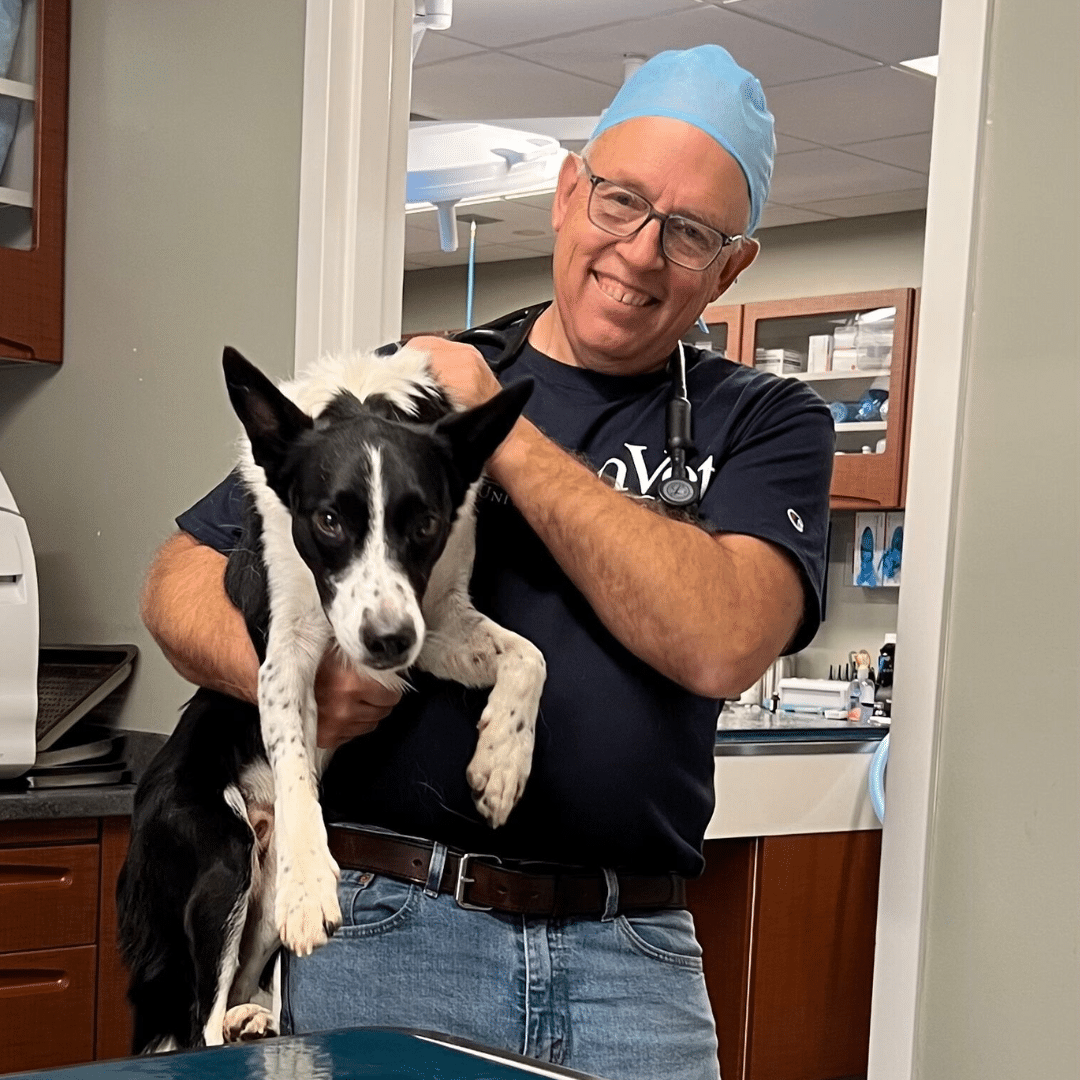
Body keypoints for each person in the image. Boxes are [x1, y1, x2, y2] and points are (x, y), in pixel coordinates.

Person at [142, 45, 834, 1080]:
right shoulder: (404, 390)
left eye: (689, 233)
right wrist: (301, 679)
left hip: (630, 958)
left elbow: (722, 638)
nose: (641, 252)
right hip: (388, 932)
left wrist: (498, 435)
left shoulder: (767, 419)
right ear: (566, 195)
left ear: (733, 266)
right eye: (620, 202)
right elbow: (179, 579)